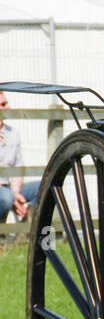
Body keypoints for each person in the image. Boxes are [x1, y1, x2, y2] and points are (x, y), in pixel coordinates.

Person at [0, 92, 40, 222]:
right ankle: (2, 235)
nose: (9, 108)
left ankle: (28, 231)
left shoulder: (13, 133)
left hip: (9, 187)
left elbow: (18, 166)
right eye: (3, 104)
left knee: (43, 187)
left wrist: (16, 192)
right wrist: (11, 197)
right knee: (5, 198)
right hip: (4, 192)